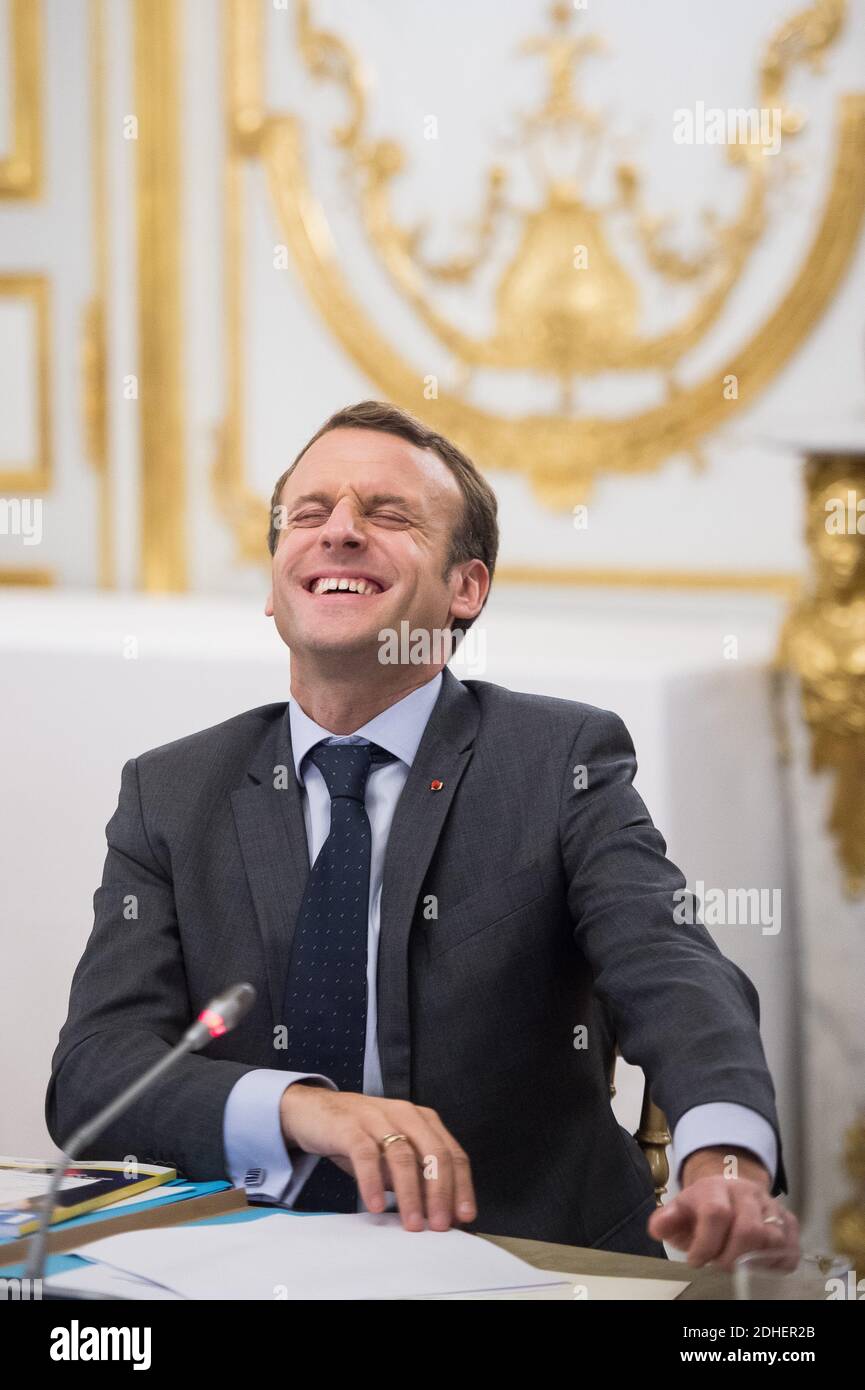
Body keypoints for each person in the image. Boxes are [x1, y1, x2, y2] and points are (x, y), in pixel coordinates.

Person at [47, 400, 799, 1267]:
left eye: (387, 514)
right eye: (309, 512)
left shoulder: (557, 760)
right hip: (238, 1262)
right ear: (273, 581)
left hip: (524, 1257)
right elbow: (96, 1070)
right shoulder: (170, 790)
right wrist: (299, 1107)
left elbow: (671, 968)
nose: (338, 533)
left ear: (465, 588)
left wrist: (724, 1159)